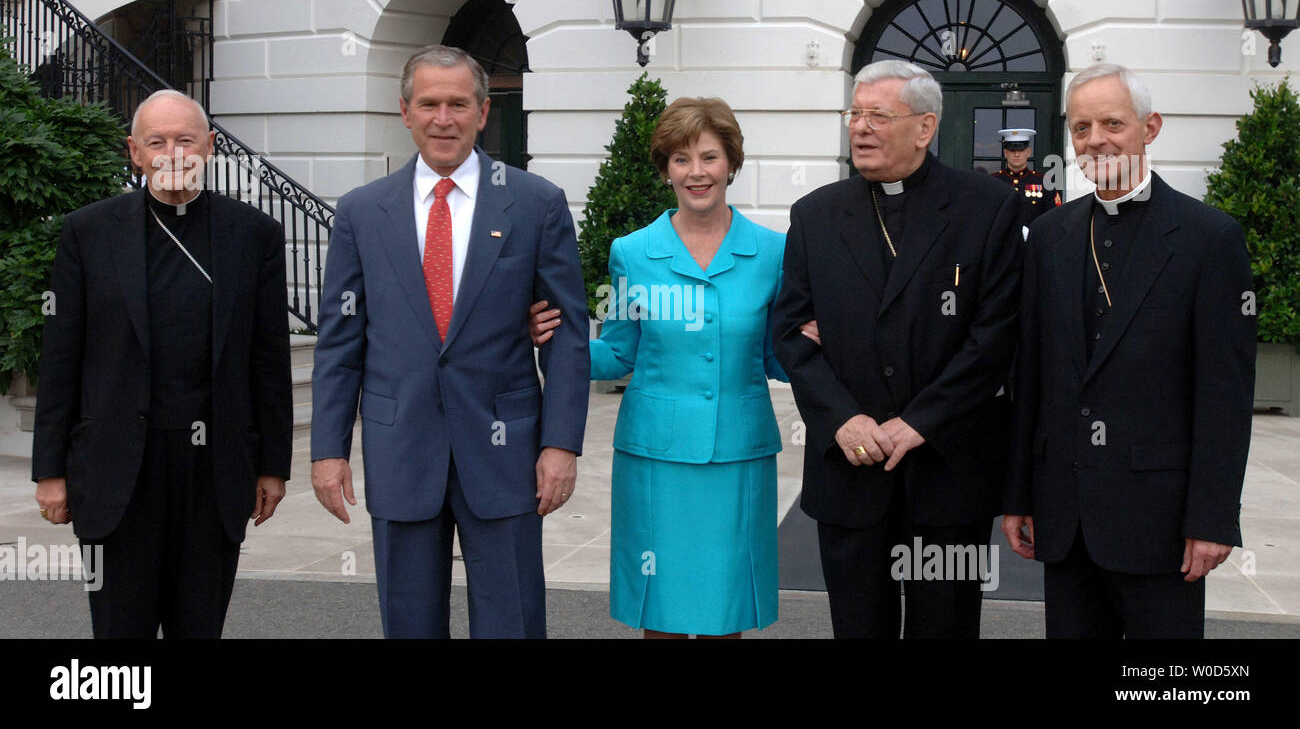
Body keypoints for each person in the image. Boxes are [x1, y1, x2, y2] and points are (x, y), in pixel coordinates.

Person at [310, 45, 589, 639]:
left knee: (512, 620)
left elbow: (566, 339)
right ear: (405, 112)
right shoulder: (362, 213)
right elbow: (339, 342)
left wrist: (561, 445)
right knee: (409, 623)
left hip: (506, 451)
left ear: (483, 112)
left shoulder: (536, 203)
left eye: (458, 104)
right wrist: (327, 451)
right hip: (400, 447)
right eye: (430, 104)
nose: (444, 118)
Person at [1001, 63, 1256, 638]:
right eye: (1082, 127)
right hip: (1064, 513)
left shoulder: (1209, 238)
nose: (1096, 140)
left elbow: (1225, 394)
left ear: (1151, 126)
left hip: (1160, 519)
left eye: (1113, 123)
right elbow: (1031, 378)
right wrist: (1017, 495)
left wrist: (1213, 518)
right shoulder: (1050, 236)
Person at [772, 60, 1022, 638]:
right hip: (851, 471)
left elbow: (994, 336)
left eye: (877, 116)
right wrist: (844, 418)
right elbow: (790, 334)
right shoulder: (815, 215)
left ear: (925, 126)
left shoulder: (986, 209)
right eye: (854, 114)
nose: (859, 128)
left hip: (948, 471)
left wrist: (920, 422)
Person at [32, 89, 293, 638]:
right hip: (116, 472)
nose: (172, 152)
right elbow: (62, 357)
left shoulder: (254, 236)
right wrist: (50, 472)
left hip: (214, 472)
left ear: (210, 147)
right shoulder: (88, 232)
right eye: (157, 141)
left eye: (185, 139)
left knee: (198, 629)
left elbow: (268, 359)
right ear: (135, 151)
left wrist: (273, 464)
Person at [530, 97, 787, 638]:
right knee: (662, 612)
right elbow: (618, 352)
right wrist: (553, 342)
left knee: (726, 612)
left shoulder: (773, 252)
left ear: (732, 164)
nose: (697, 173)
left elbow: (775, 358)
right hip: (656, 460)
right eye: (681, 159)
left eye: (710, 158)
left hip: (738, 456)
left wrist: (826, 338)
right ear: (665, 169)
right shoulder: (633, 252)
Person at [989, 128, 1061, 237]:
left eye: (1021, 150)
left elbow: (1054, 216)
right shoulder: (993, 181)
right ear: (1005, 153)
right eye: (1012, 150)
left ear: (1028, 152)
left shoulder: (1044, 182)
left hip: (1033, 245)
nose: (1017, 154)